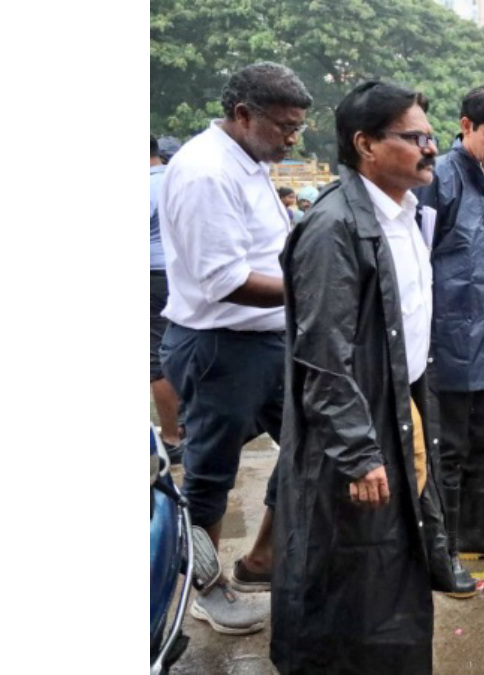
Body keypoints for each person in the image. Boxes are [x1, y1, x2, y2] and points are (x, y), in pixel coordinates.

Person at [272, 80, 469, 675]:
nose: (431, 148)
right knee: (345, 570)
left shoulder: (407, 216)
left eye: (431, 136)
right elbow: (322, 355)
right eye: (415, 138)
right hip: (355, 424)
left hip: (399, 403)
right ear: (365, 144)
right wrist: (358, 450)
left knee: (389, 567)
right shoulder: (335, 226)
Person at [158, 62, 311, 634]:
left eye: (298, 127)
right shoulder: (205, 172)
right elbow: (224, 280)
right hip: (219, 346)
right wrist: (312, 286)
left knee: (310, 439)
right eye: (284, 126)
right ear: (244, 115)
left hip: (268, 339)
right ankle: (201, 587)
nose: (293, 138)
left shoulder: (248, 160)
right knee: (209, 474)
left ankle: (263, 560)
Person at [412, 85, 484, 571]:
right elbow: (418, 256)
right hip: (448, 337)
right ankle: (444, 543)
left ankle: (479, 532)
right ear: (465, 126)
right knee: (449, 447)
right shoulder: (439, 178)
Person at [150, 135, 183, 463]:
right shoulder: (178, 178)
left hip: (152, 277)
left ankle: (172, 438)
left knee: (154, 360)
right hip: (178, 273)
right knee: (175, 342)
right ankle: (184, 423)